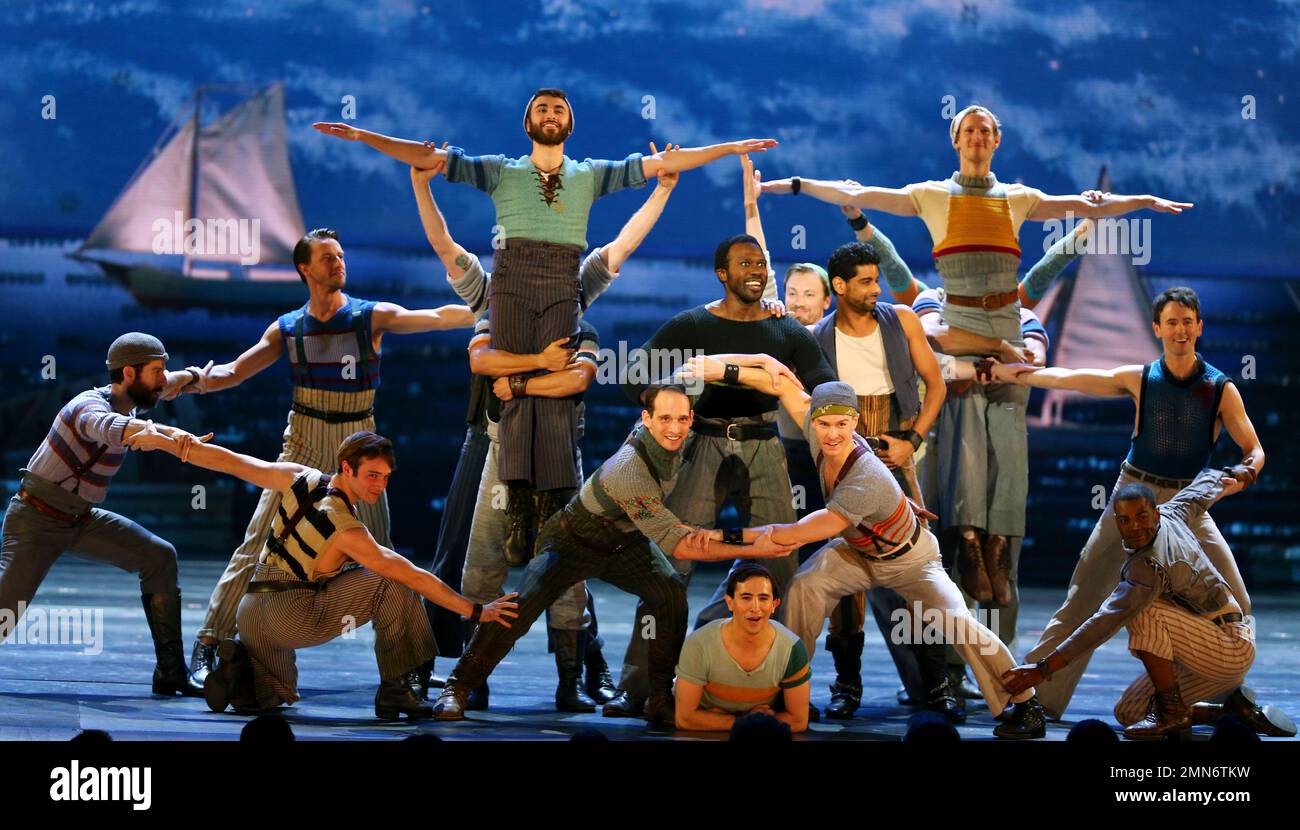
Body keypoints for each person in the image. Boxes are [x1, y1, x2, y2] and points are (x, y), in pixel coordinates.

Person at [761, 104, 1190, 606]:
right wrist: (792, 186)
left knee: (1007, 429)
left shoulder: (1017, 199)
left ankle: (997, 545)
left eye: (986, 131)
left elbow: (1078, 214)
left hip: (1004, 325)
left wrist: (1140, 202)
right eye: (969, 130)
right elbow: (866, 212)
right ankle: (966, 539)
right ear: (955, 140)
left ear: (996, 142)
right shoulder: (933, 199)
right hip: (961, 333)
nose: (978, 137)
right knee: (965, 419)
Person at [315, 91, 776, 555]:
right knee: (517, 390)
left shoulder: (589, 175)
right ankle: (521, 508)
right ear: (527, 122)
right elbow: (427, 158)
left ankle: (548, 511)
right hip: (512, 281)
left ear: (570, 124)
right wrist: (359, 134)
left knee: (553, 390)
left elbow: (656, 184)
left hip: (561, 277)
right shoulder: (502, 171)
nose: (550, 113)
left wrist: (731, 148)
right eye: (541, 108)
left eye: (559, 108)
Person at [410, 155, 681, 708]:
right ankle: (473, 674)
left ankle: (570, 676)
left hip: (560, 451)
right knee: (483, 560)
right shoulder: (493, 297)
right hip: (498, 446)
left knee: (567, 566)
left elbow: (620, 249)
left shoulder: (575, 303)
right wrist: (421, 184)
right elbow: (446, 251)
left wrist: (661, 191)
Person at [177, 227, 475, 690]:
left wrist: (491, 307)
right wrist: (188, 378)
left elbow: (435, 316)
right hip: (304, 444)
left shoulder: (367, 317)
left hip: (357, 444)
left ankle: (409, 664)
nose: (338, 263)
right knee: (258, 544)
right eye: (328, 258)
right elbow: (234, 372)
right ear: (305, 269)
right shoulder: (289, 328)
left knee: (382, 553)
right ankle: (211, 641)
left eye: (341, 256)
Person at [679, 369, 1048, 738]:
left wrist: (715, 536)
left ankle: (1024, 703)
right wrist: (721, 367)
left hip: (911, 561)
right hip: (857, 553)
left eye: (842, 424)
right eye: (823, 424)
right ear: (813, 421)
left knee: (961, 623)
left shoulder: (864, 477)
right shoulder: (819, 429)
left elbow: (787, 536)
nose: (832, 433)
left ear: (855, 421)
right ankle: (787, 692)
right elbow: (780, 382)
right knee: (805, 587)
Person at [431, 384, 797, 725]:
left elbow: (686, 533)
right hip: (574, 540)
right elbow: (682, 545)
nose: (674, 428)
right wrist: (756, 544)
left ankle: (658, 696)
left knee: (669, 593)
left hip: (626, 542)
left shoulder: (684, 441)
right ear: (646, 420)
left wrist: (750, 536)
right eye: (665, 419)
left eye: (682, 419)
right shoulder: (629, 470)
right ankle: (458, 686)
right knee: (520, 606)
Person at [127, 426, 517, 720]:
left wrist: (168, 441)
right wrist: (476, 611)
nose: (380, 486)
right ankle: (397, 689)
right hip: (290, 615)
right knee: (392, 577)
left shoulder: (298, 476)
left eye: (385, 478)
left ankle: (242, 677)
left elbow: (230, 461)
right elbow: (412, 574)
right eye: (371, 476)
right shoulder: (346, 525)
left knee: (280, 693)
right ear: (347, 468)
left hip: (250, 613)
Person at [999, 286, 1260, 719]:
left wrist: (1246, 470)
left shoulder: (1220, 388)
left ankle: (1215, 698)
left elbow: (1254, 448)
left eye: (1187, 321)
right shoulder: (1140, 377)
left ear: (1200, 327)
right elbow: (1071, 378)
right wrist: (1019, 375)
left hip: (1187, 505)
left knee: (1236, 602)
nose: (1180, 330)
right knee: (1084, 596)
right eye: (1171, 322)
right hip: (1133, 496)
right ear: (1157, 328)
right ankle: (1037, 702)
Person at [603, 234, 836, 718]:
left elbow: (824, 384)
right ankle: (641, 685)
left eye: (761, 262)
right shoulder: (693, 323)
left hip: (764, 444)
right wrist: (673, 405)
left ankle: (786, 690)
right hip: (703, 443)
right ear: (722, 274)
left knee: (782, 563)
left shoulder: (785, 328)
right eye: (744, 263)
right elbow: (634, 377)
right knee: (671, 564)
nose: (755, 269)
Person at [1002, 473, 1293, 739]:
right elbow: (1204, 486)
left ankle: (1173, 712)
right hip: (1201, 649)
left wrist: (1043, 669)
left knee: (1143, 609)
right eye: (1125, 520)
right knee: (1129, 713)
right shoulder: (1175, 510)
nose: (1135, 527)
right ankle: (1230, 712)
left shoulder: (1147, 566)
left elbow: (1103, 623)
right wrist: (1238, 470)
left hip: (1229, 647)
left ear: (1155, 513)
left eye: (1141, 516)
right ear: (1117, 522)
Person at [0, 333, 207, 696]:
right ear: (129, 373)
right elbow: (111, 429)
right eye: (156, 371)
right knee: (3, 615)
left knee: (159, 557)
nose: (162, 378)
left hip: (79, 519)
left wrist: (192, 376)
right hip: (35, 519)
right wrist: (170, 438)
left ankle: (171, 673)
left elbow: (169, 386)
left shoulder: (133, 402)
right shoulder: (87, 407)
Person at [674, 563, 811, 734]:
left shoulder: (792, 648)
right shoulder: (699, 644)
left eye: (763, 598)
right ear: (730, 602)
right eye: (746, 597)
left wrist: (729, 721)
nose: (755, 608)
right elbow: (685, 719)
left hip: (719, 725)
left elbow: (798, 721)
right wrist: (748, 722)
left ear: (774, 604)